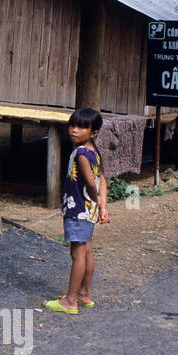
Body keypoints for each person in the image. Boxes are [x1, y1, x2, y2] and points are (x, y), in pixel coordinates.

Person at [45, 107, 110, 314]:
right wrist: (102, 205)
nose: (75, 130)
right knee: (87, 250)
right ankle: (84, 294)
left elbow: (92, 184)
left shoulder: (81, 154)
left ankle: (70, 301)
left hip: (79, 208)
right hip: (89, 209)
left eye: (82, 127)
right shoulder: (93, 152)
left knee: (77, 253)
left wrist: (98, 202)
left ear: (94, 132)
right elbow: (103, 181)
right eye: (72, 125)